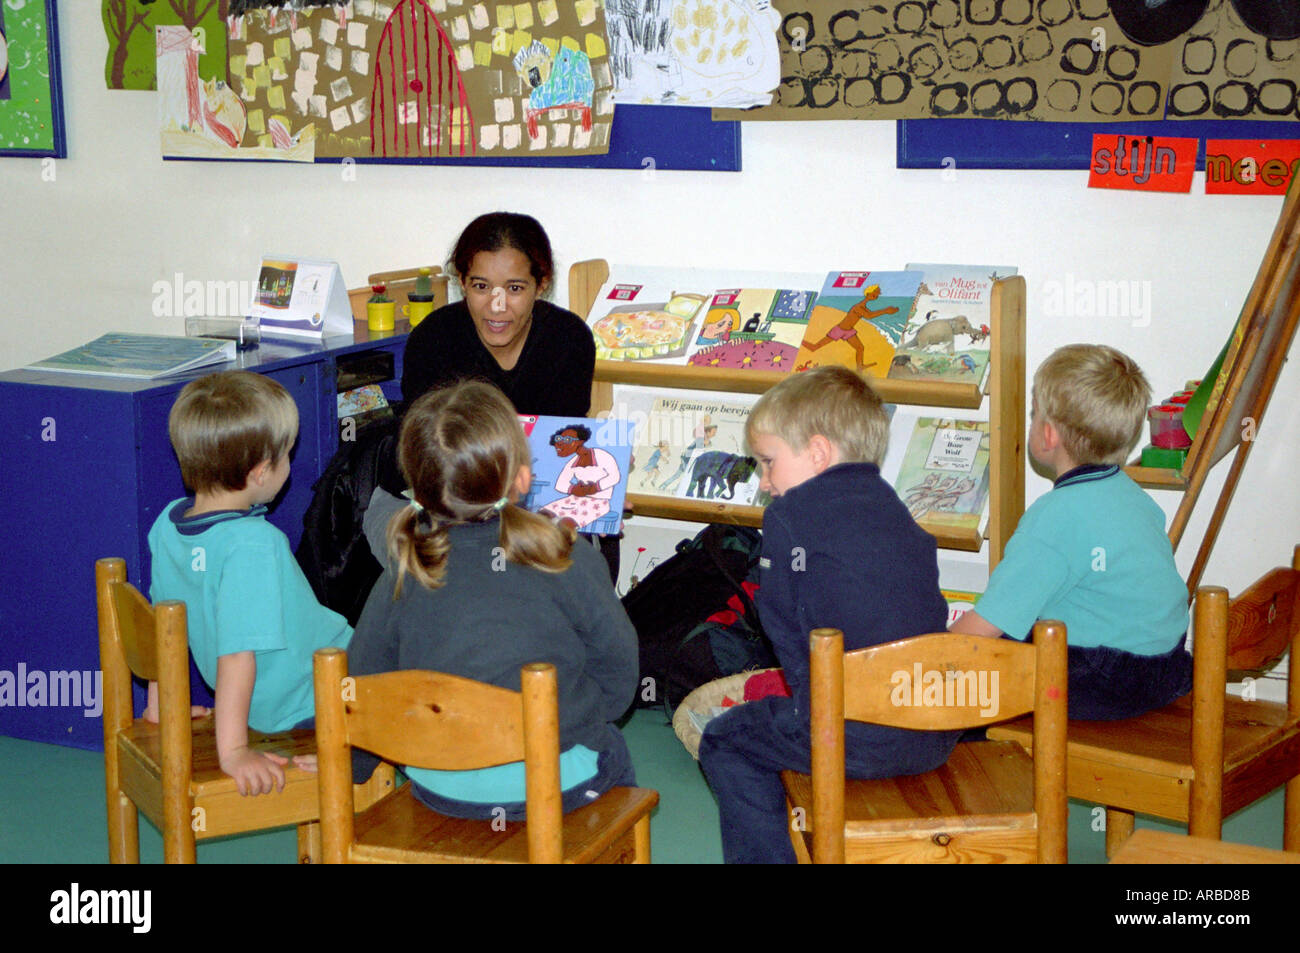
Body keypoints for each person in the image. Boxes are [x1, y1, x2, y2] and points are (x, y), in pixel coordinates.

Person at [697, 366, 955, 864]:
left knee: (726, 740)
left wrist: (806, 710)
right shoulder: (893, 507)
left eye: (769, 463)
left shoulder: (789, 516)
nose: (765, 482)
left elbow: (781, 627)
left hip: (852, 733)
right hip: (935, 729)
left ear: (817, 453)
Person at [347, 381, 638, 818]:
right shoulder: (565, 556)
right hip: (558, 782)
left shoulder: (403, 573)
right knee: (611, 749)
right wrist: (582, 717)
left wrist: (358, 765)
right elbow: (620, 671)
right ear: (523, 477)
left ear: (415, 492)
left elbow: (362, 684)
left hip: (442, 786)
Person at [950, 344, 1191, 719]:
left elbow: (986, 626)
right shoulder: (1135, 498)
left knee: (980, 682)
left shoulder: (1054, 517)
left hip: (1104, 677)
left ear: (1048, 436)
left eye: (1033, 415)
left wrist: (928, 654)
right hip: (1167, 667)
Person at [147, 371, 351, 796]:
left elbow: (161, 628)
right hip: (318, 695)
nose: (290, 465)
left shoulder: (167, 525)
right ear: (261, 472)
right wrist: (235, 750)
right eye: (287, 455)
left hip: (276, 698)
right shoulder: (254, 544)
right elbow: (237, 656)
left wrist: (160, 705)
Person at [400, 212, 595, 417]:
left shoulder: (568, 339)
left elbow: (567, 439)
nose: (496, 306)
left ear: (541, 285)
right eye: (481, 286)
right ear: (462, 282)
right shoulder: (432, 341)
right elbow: (421, 439)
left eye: (514, 289)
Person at [538, 424, 622, 531]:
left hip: (598, 502)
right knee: (544, 513)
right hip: (574, 499)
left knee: (567, 524)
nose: (561, 442)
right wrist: (574, 489)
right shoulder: (573, 462)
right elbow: (560, 483)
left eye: (568, 439)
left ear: (580, 442)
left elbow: (615, 476)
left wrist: (595, 488)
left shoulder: (601, 455)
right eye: (559, 438)